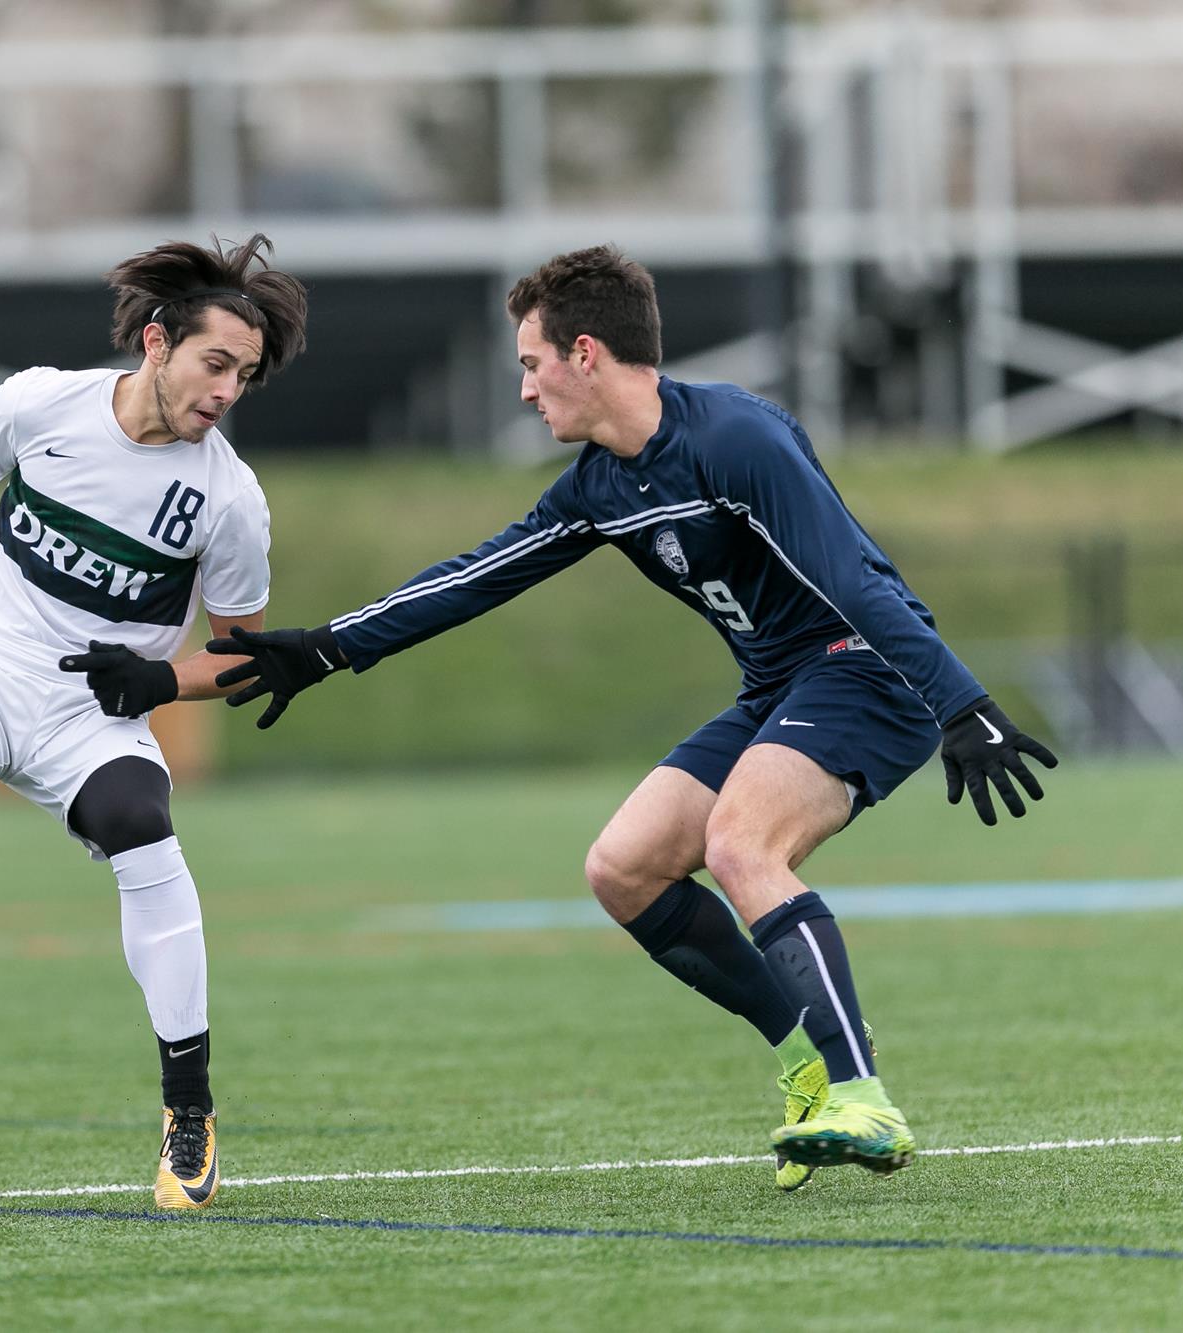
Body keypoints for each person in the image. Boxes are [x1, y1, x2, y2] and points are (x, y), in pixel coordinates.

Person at [209, 244, 1057, 1189]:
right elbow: (476, 577)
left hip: (868, 672)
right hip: (778, 685)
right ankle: (808, 1066)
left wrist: (963, 705)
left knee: (741, 846)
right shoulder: (599, 485)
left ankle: (865, 1096)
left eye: (530, 365)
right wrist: (325, 647)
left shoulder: (737, 440)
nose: (526, 392)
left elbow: (857, 581)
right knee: (623, 868)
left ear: (584, 353)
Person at [0, 234, 308, 1211]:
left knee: (143, 825)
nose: (226, 390)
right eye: (214, 362)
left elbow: (242, 654)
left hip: (93, 708)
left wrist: (160, 682)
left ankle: (189, 1110)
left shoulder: (227, 499)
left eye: (245, 377)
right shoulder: (40, 402)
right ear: (154, 341)